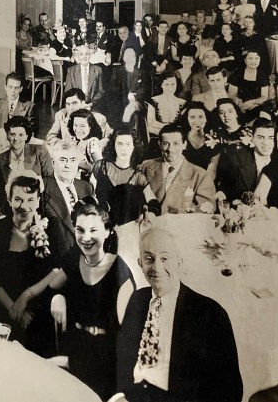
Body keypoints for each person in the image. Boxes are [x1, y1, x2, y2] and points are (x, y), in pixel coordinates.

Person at [115, 227, 243, 402]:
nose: (157, 267)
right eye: (149, 259)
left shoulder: (210, 314)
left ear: (179, 262)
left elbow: (230, 390)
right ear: (140, 264)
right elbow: (123, 359)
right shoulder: (137, 300)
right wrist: (121, 396)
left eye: (165, 258)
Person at [46, 199, 135, 398]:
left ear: (107, 231)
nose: (86, 238)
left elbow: (126, 337)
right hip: (72, 347)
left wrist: (71, 362)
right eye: (80, 230)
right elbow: (50, 289)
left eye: (94, 230)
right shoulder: (74, 258)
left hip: (102, 362)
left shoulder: (119, 272)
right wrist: (57, 297)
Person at [0, 172, 69, 356]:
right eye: (18, 200)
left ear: (38, 201)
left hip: (39, 307)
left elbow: (60, 268)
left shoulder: (52, 226)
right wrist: (14, 309)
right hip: (5, 307)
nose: (24, 206)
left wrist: (26, 296)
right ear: (9, 200)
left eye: (31, 199)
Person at [139, 123, 215, 214]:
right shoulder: (145, 167)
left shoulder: (201, 175)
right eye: (166, 143)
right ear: (160, 145)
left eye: (176, 143)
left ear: (184, 145)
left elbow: (206, 210)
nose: (171, 149)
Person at [92, 129, 159, 225]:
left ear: (134, 147)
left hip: (127, 231)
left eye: (128, 144)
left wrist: (151, 214)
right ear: (114, 146)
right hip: (100, 226)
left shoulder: (138, 176)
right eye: (120, 144)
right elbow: (90, 195)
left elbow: (153, 202)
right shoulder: (100, 167)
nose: (124, 149)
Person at [215, 118, 274, 202]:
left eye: (271, 138)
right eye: (260, 138)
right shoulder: (236, 157)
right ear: (252, 138)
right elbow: (226, 187)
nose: (266, 143)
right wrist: (222, 193)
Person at [0, 116, 54, 182]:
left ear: (26, 136)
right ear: (7, 135)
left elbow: (50, 182)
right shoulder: (0, 159)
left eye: (21, 135)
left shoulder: (40, 152)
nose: (16, 138)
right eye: (12, 134)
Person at [46, 89, 110, 145]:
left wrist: (90, 143)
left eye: (74, 103)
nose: (70, 108)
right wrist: (65, 143)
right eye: (68, 104)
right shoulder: (61, 115)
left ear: (83, 103)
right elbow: (50, 137)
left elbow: (110, 138)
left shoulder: (98, 118)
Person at [228, 48, 269, 116]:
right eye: (250, 58)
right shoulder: (237, 74)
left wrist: (253, 102)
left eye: (256, 58)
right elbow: (231, 95)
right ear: (245, 60)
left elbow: (264, 97)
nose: (253, 61)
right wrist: (238, 102)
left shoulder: (262, 76)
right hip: (239, 106)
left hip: (256, 106)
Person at [146, 72, 184, 138]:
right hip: (157, 135)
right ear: (161, 85)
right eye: (167, 84)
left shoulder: (183, 103)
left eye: (173, 84)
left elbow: (183, 125)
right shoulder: (153, 101)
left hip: (177, 137)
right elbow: (151, 123)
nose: (170, 88)